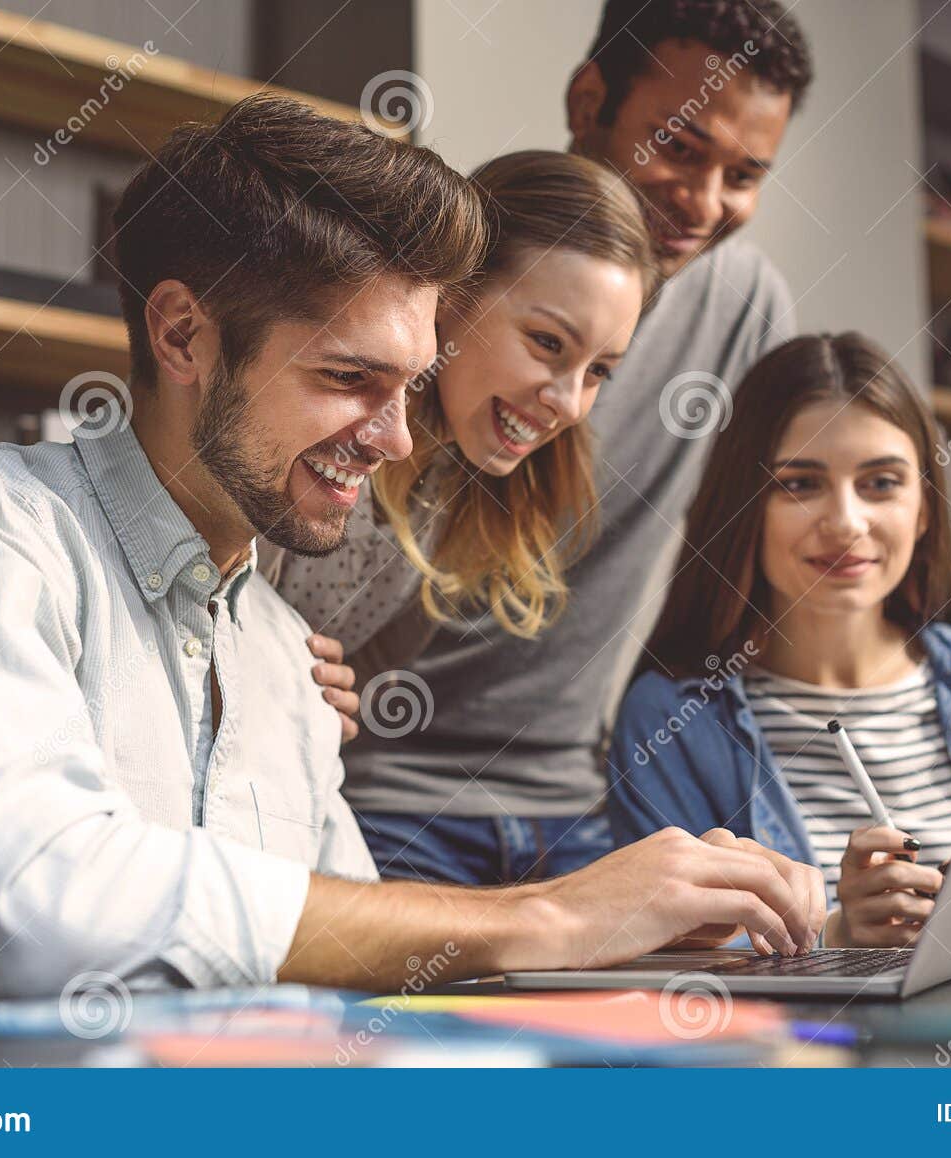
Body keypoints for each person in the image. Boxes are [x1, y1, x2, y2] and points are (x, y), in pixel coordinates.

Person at [0, 95, 823, 1026]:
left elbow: (360, 970)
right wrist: (544, 915)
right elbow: (37, 905)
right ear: (182, 337)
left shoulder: (276, 653)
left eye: (408, 389)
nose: (398, 439)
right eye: (350, 378)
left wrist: (644, 961)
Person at [334, 0, 813, 885]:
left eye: (744, 174)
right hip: (386, 798)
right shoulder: (444, 271)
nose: (704, 203)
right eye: (679, 147)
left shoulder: (743, 309)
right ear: (589, 100)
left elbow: (744, 572)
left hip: (578, 801)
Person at [606, 334, 951, 947]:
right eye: (800, 484)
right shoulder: (672, 718)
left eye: (882, 483)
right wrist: (836, 933)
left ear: (923, 509)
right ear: (745, 507)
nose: (845, 523)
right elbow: (654, 949)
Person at [276, 150, 659, 881]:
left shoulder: (461, 476)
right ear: (454, 295)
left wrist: (336, 686)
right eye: (547, 344)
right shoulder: (327, 423)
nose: (568, 403)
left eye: (600, 371)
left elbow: (374, 650)